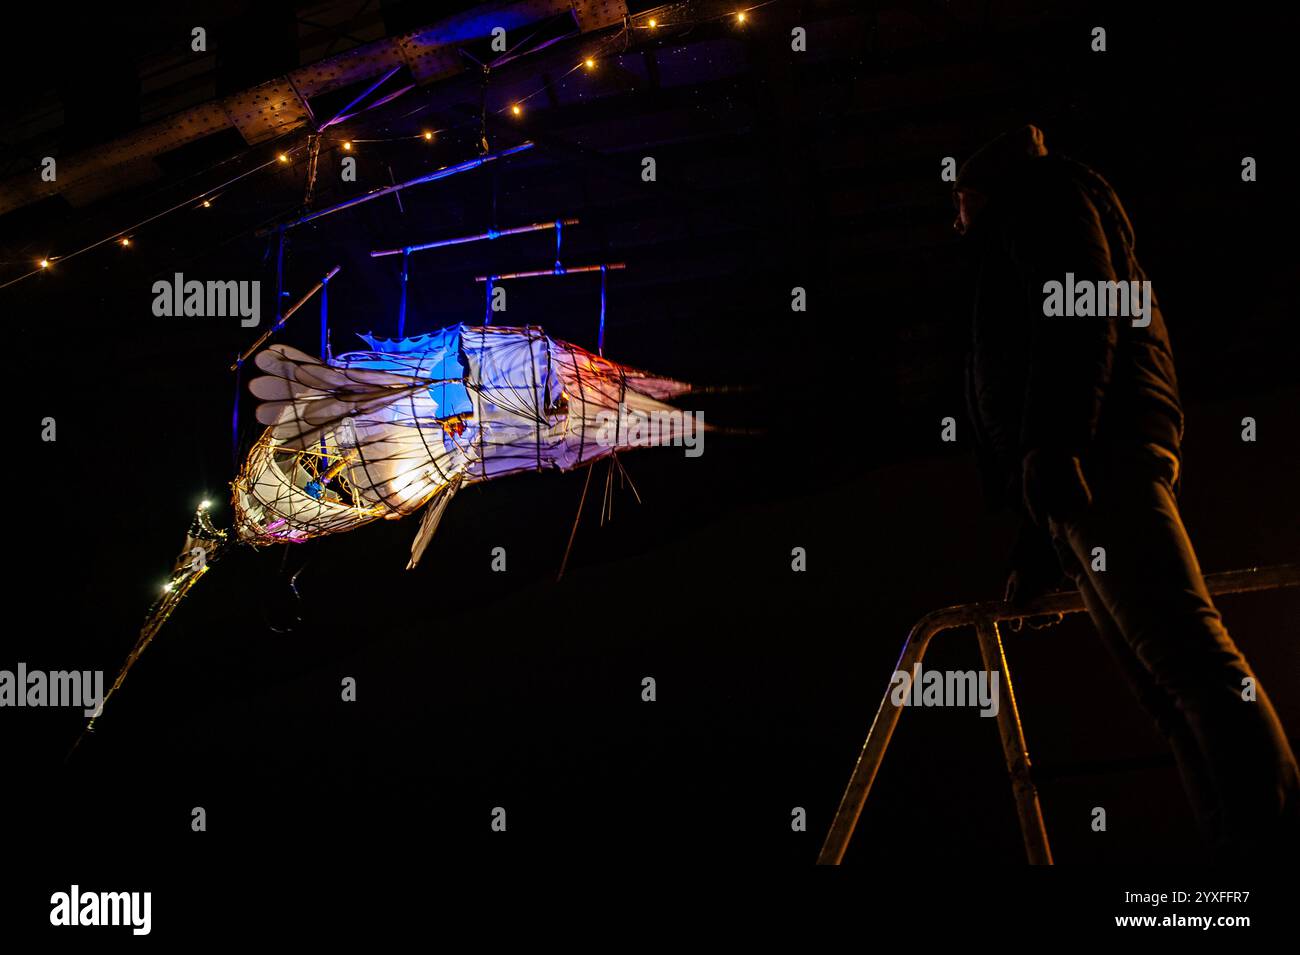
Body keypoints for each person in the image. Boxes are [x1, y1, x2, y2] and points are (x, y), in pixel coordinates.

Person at [955, 124, 1299, 860]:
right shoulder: (1038, 210)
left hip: (1099, 453)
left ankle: (1267, 843)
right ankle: (1237, 849)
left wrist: (1056, 446)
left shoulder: (1041, 201)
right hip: (1088, 461)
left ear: (973, 192)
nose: (953, 224)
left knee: (1188, 662)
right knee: (1168, 682)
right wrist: (1039, 532)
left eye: (956, 205)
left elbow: (1077, 320)